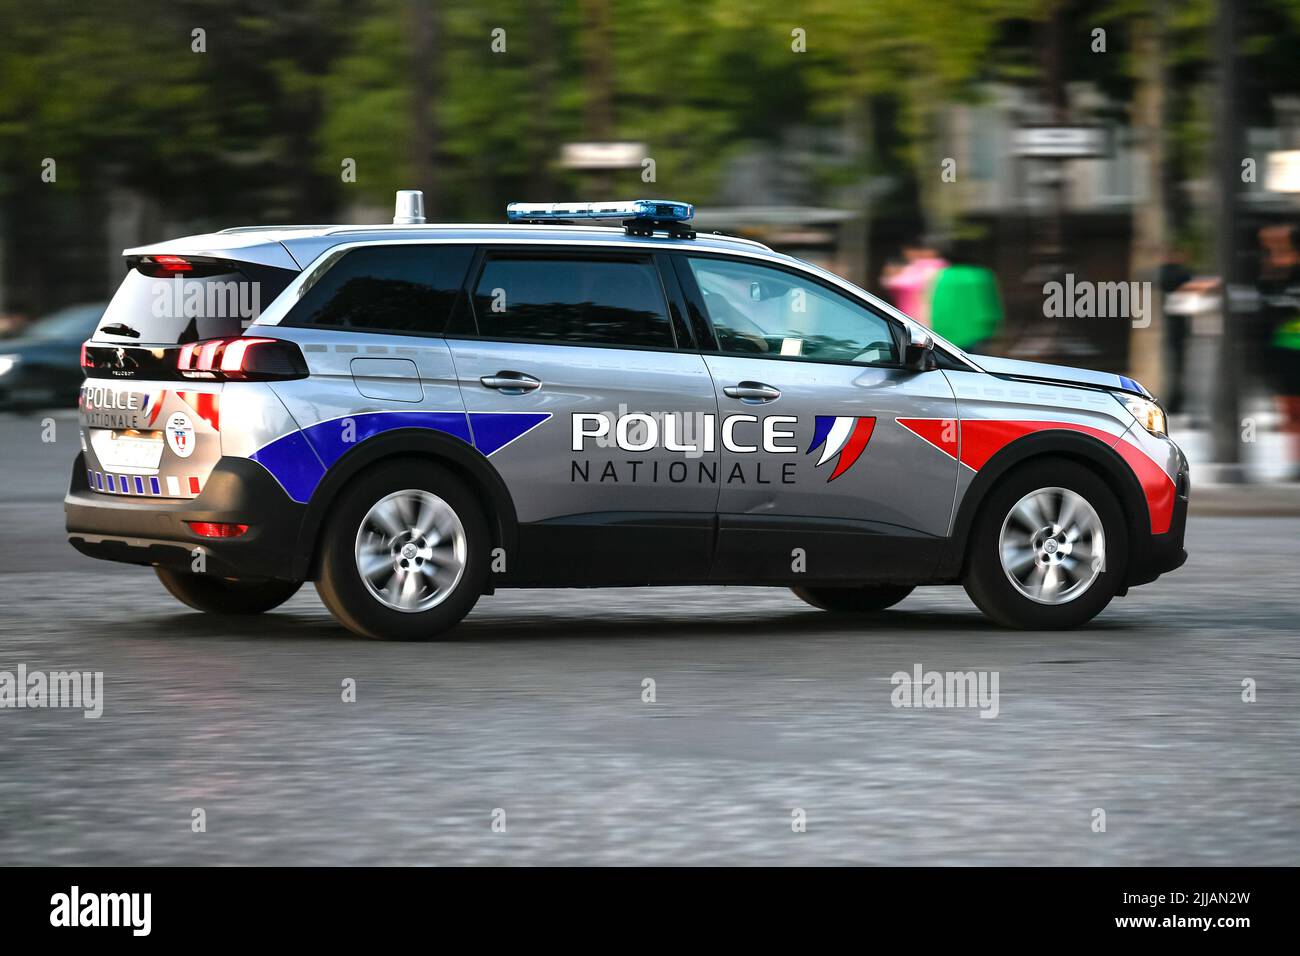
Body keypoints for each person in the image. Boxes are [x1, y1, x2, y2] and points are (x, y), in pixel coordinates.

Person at [1258, 224, 1300, 478]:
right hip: (1281, 348)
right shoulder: (1268, 270)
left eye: (1278, 237)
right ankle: (1295, 462)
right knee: (1289, 409)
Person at [927, 241, 1004, 354]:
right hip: (978, 332)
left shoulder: (943, 276)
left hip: (947, 333)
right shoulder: (982, 276)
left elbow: (938, 306)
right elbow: (991, 305)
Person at [881, 238, 948, 326]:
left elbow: (897, 283)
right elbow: (889, 283)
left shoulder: (935, 265)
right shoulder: (913, 266)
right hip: (909, 315)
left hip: (926, 316)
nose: (909, 253)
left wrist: (894, 274)